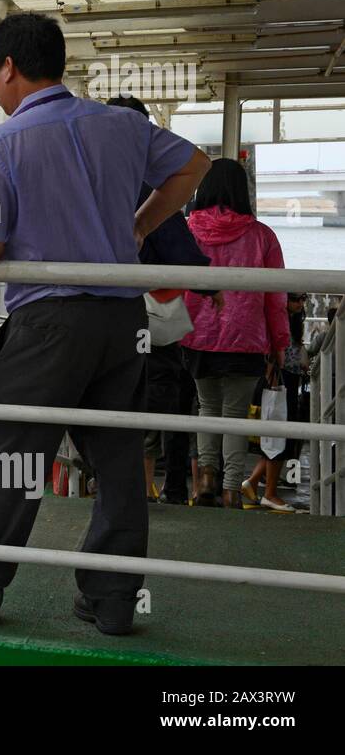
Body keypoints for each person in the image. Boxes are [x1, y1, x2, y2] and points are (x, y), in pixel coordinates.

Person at [0, 12, 209, 636]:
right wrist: (138, 225)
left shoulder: (0, 143)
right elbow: (194, 165)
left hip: (47, 323)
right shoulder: (121, 126)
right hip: (120, 320)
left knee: (10, 456)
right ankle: (112, 600)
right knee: (116, 460)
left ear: (8, 68)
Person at [107, 96, 218, 506]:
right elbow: (179, 251)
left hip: (96, 315)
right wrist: (210, 287)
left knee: (107, 402)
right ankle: (151, 492)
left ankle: (112, 489)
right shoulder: (151, 190)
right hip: (150, 322)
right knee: (160, 406)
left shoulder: (93, 182)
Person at [179, 158, 289, 509]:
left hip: (197, 334)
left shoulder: (187, 230)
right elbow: (276, 298)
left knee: (207, 407)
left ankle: (205, 481)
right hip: (247, 338)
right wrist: (280, 343)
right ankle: (230, 490)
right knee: (235, 414)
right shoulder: (262, 236)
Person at [240, 293, 307, 513]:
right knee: (277, 436)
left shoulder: (292, 318)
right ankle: (269, 493)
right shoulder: (280, 319)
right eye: (296, 299)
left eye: (304, 299)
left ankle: (251, 483)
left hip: (283, 379)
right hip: (280, 381)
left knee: (274, 439)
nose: (301, 303)